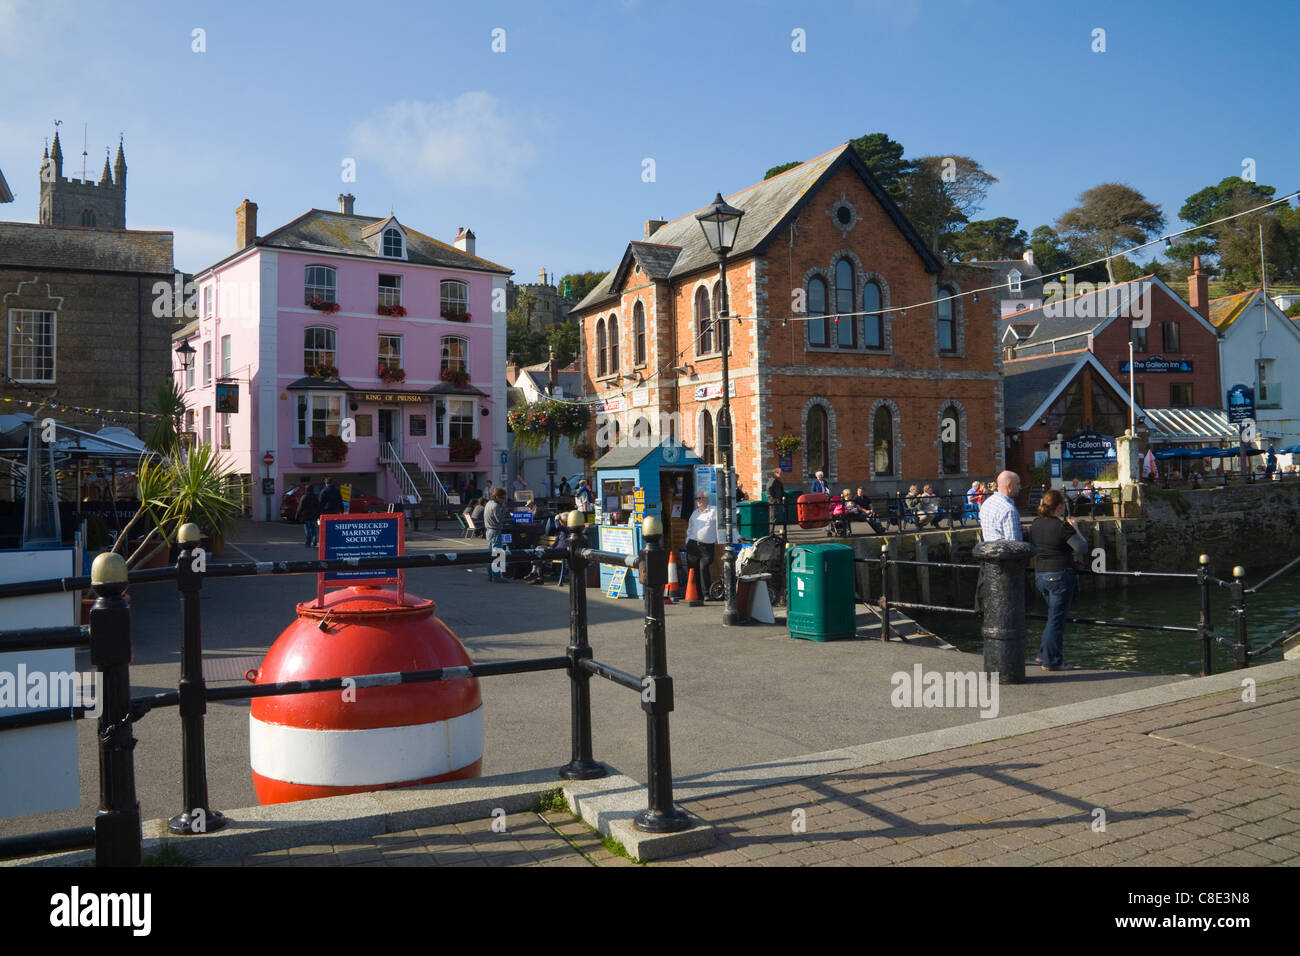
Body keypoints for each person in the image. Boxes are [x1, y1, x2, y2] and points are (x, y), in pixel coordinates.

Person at [1029, 489, 1085, 671]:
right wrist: (1076, 529)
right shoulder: (1062, 526)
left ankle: (1042, 655)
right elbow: (1081, 548)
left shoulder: (1035, 524)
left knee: (1053, 618)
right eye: (1063, 505)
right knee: (1056, 621)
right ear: (1059, 506)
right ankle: (1051, 661)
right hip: (1059, 575)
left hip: (1040, 575)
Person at [685, 492, 718, 600]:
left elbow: (723, 525)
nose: (699, 500)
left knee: (703, 567)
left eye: (701, 498)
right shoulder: (695, 513)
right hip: (693, 545)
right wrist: (687, 540)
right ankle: (696, 593)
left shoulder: (714, 510)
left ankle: (706, 593)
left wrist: (736, 535)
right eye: (697, 498)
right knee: (693, 569)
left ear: (707, 499)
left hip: (706, 546)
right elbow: (689, 529)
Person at [979, 470, 1022, 542]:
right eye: (1018, 484)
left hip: (988, 550)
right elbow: (1014, 545)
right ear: (1009, 486)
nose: (1020, 487)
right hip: (1004, 552)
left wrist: (1018, 530)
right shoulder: (1009, 510)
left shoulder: (986, 503)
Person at [484, 487, 508, 582]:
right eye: (502, 498)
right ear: (497, 497)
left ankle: (490, 575)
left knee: (491, 554)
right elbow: (499, 520)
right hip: (495, 531)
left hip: (488, 530)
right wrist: (504, 509)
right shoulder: (496, 506)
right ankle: (497, 577)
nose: (503, 500)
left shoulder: (488, 504)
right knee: (498, 554)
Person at [296, 482, 322, 547]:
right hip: (314, 516)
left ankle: (308, 542)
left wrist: (297, 515)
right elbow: (318, 507)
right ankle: (315, 539)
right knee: (314, 528)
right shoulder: (315, 497)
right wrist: (319, 515)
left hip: (306, 516)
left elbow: (300, 507)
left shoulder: (304, 497)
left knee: (307, 529)